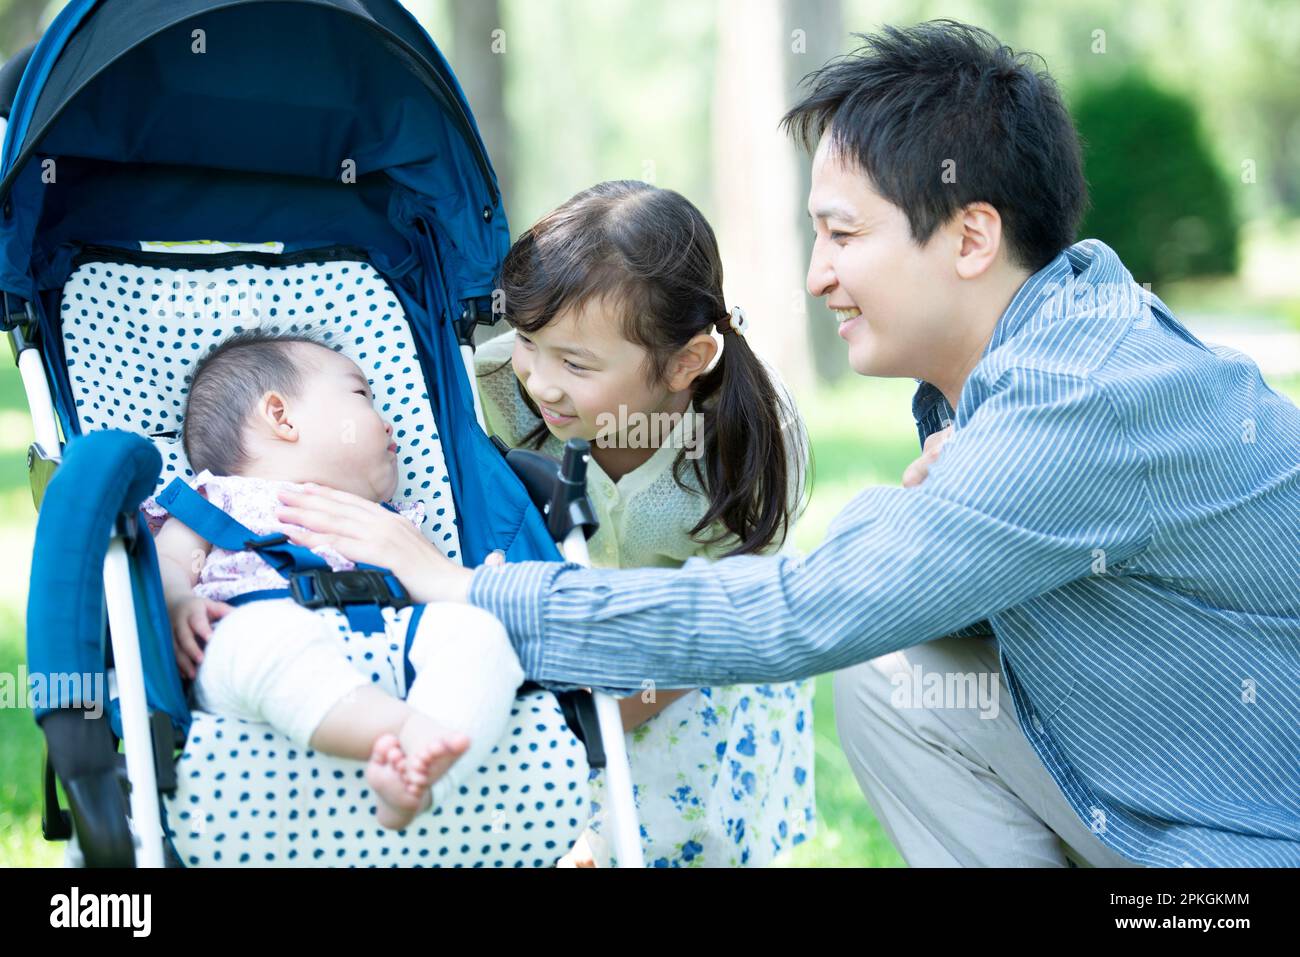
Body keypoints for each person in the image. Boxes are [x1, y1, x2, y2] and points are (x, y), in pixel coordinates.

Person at [277, 21, 1300, 867]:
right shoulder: (1057, 345)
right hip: (1168, 795)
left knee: (873, 631)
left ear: (970, 237)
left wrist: (466, 590)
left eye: (845, 235)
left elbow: (797, 613)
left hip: (1238, 851)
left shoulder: (1076, 401)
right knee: (901, 671)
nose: (815, 276)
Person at [472, 180, 815, 867]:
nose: (540, 379)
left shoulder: (745, 438)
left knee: (684, 830)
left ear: (685, 362)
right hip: (570, 637)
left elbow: (731, 619)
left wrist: (596, 720)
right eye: (529, 340)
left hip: (708, 649)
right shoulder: (503, 388)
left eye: (575, 363)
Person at [142, 328, 524, 830]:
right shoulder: (216, 498)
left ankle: (418, 777)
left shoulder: (391, 522)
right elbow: (166, 564)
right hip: (254, 639)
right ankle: (404, 734)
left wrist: (475, 591)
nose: (390, 423)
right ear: (281, 416)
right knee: (258, 640)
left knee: (484, 637)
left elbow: (435, 585)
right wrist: (174, 603)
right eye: (363, 395)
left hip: (387, 641)